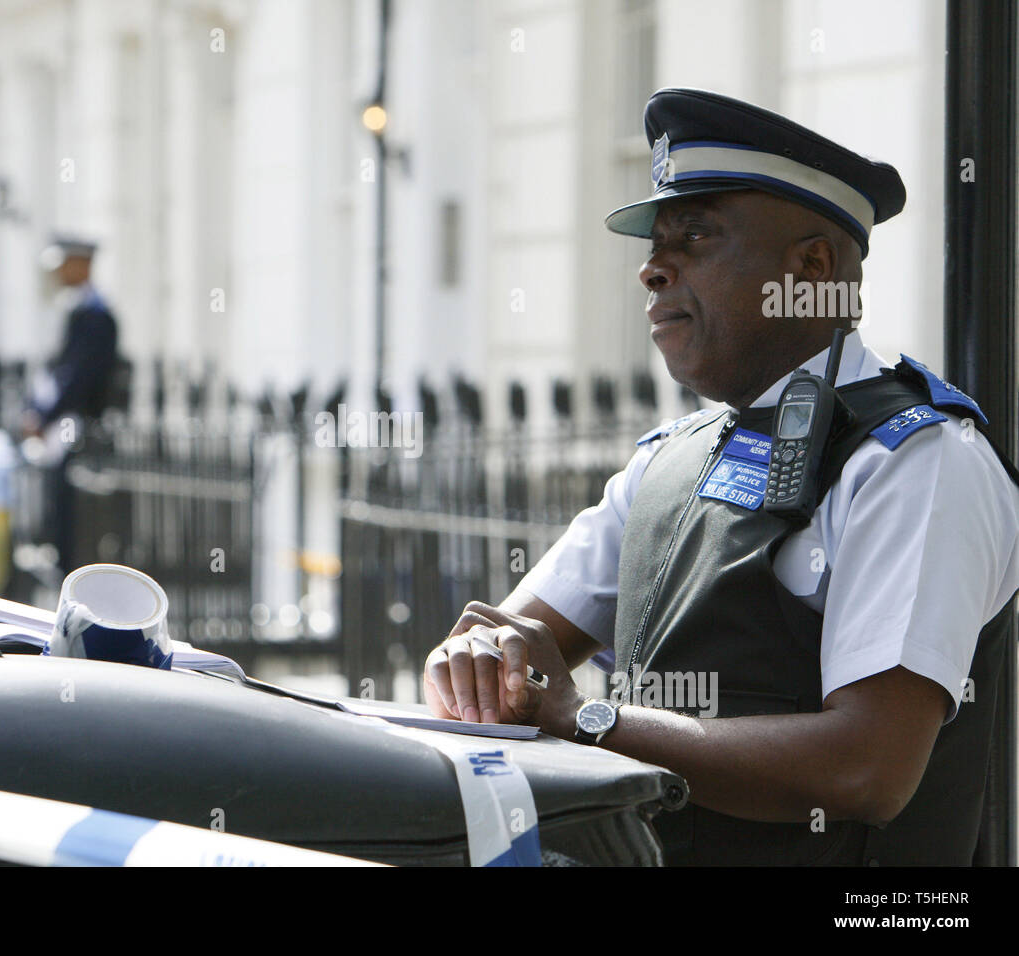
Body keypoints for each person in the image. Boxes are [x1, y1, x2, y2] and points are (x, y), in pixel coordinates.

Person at [423, 88, 1019, 866]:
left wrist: (590, 721)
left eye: (695, 235)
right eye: (654, 243)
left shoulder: (917, 462)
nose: (651, 269)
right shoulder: (669, 459)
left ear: (810, 268)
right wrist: (475, 663)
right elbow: (510, 649)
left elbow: (868, 768)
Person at [21, 234, 119, 574]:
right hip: (62, 423)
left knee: (72, 513)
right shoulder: (74, 308)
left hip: (76, 425)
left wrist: (45, 416)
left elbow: (78, 375)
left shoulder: (95, 315)